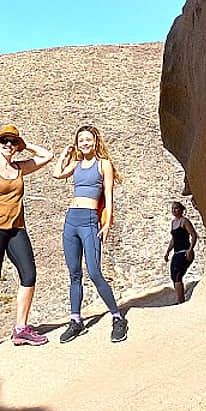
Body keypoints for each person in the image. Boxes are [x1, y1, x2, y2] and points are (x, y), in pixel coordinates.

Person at [0, 124, 54, 355]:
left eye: (13, 142)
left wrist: (25, 145)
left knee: (29, 274)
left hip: (17, 228)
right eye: (5, 141)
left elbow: (47, 156)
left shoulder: (19, 168)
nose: (9, 145)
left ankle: (21, 328)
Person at [51, 124, 128, 343]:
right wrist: (64, 156)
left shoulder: (104, 164)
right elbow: (57, 174)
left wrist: (107, 223)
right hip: (71, 220)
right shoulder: (75, 164)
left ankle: (117, 317)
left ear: (95, 141)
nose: (84, 143)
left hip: (89, 220)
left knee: (94, 272)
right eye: (80, 140)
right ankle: (76, 320)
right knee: (74, 273)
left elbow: (109, 195)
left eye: (88, 139)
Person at [164, 201, 200, 304]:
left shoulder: (184, 221)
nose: (174, 210)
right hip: (176, 253)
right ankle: (180, 299)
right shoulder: (173, 223)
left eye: (176, 208)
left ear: (181, 209)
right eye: (172, 209)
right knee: (173, 275)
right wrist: (167, 252)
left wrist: (190, 249)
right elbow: (174, 239)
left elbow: (193, 235)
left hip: (185, 252)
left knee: (178, 275)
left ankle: (181, 302)